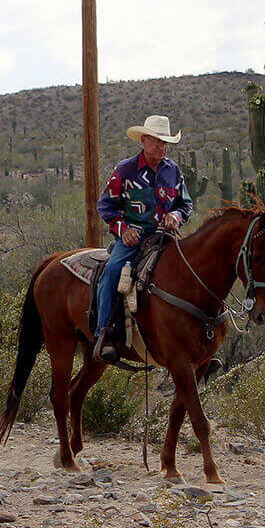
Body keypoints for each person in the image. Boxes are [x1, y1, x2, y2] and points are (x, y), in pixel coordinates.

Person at [94, 115, 193, 363]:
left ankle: (195, 336)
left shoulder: (173, 171)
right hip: (133, 239)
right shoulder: (125, 170)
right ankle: (104, 333)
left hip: (166, 236)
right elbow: (105, 206)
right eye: (158, 141)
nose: (162, 147)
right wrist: (123, 229)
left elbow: (186, 204)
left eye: (165, 142)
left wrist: (175, 215)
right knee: (113, 271)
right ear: (145, 140)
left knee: (192, 270)